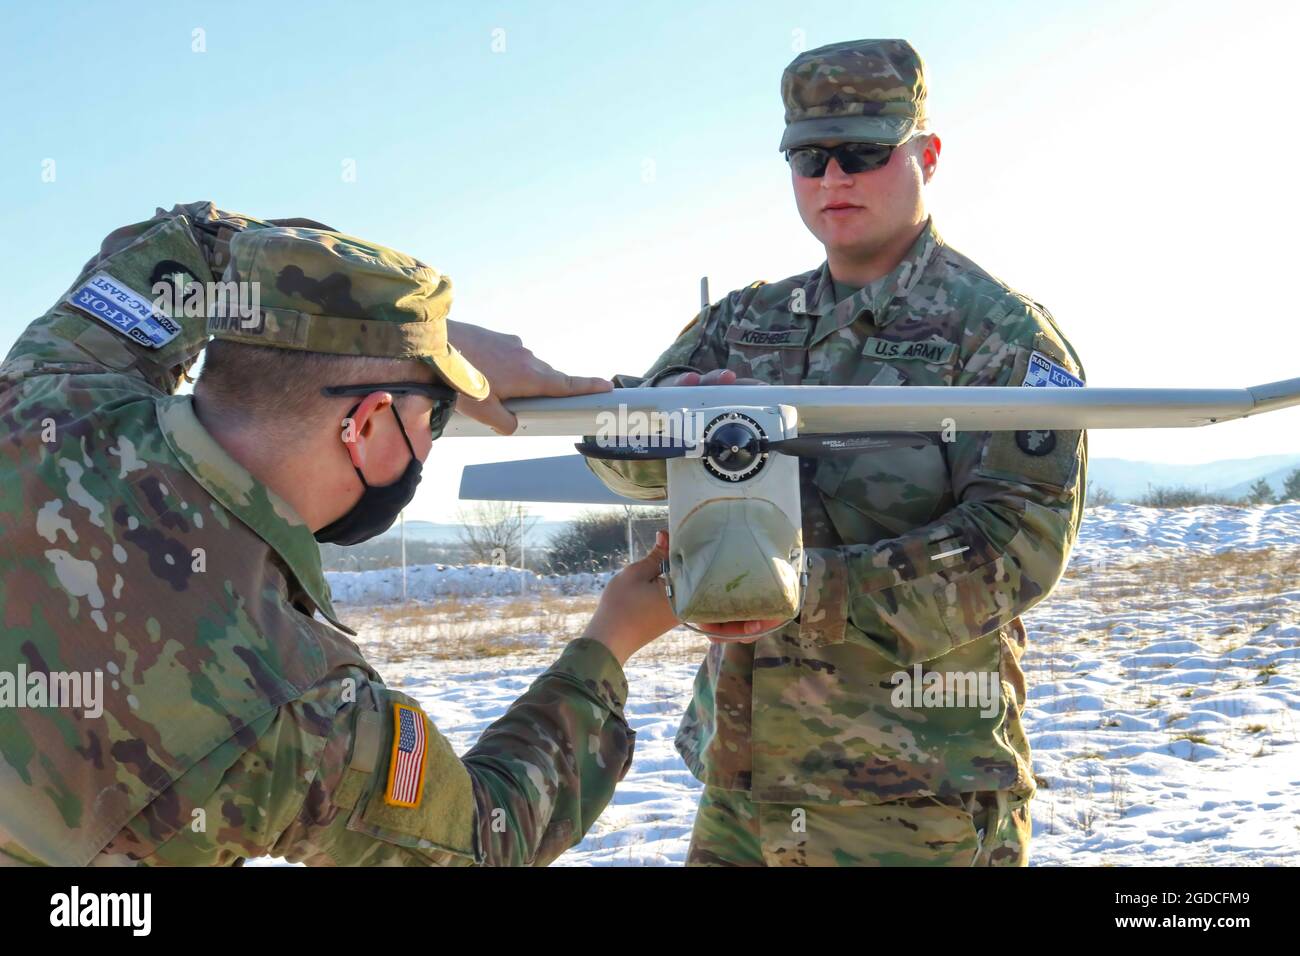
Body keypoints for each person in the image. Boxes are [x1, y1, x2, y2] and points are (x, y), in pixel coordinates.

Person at [0, 201, 678, 866]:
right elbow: (486, 836)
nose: (435, 437)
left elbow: (190, 241)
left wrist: (414, 341)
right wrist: (608, 644)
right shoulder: (295, 708)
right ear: (369, 424)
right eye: (435, 416)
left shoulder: (51, 395)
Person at [584, 39, 1088, 866]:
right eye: (808, 158)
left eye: (862, 152)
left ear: (926, 154)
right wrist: (668, 425)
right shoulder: (744, 322)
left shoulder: (1000, 337)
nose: (832, 179)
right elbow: (617, 462)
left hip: (910, 799)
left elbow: (1017, 546)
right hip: (742, 785)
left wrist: (803, 592)